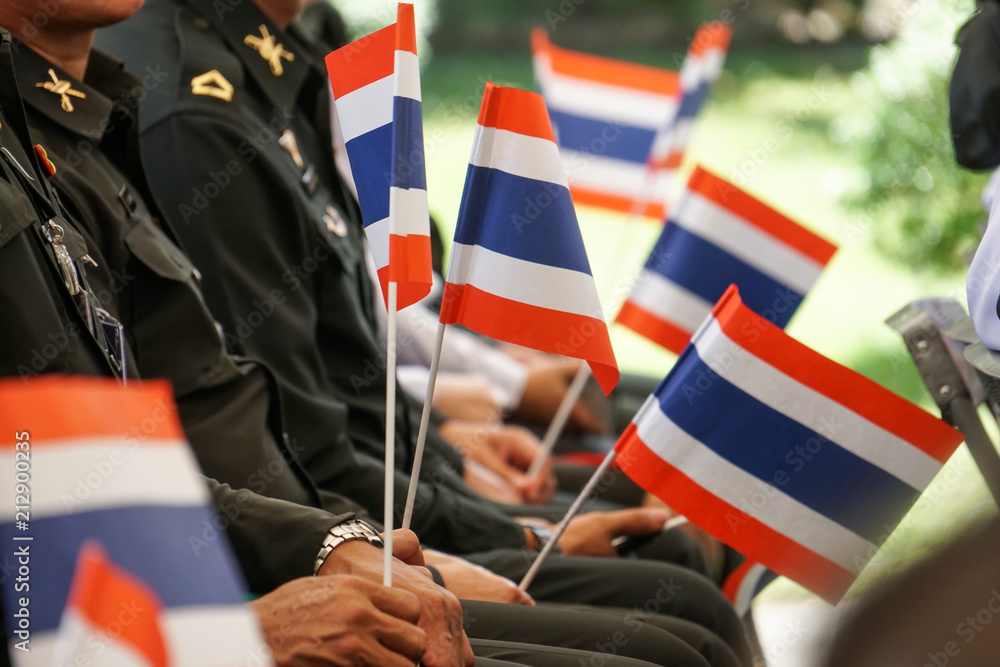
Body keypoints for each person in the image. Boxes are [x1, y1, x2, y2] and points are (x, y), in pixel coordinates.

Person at [0, 3, 746, 664]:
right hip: (202, 597)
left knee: (680, 587)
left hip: (279, 542)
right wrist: (254, 617)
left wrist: (353, 538)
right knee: (669, 616)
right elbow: (58, 530)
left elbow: (349, 357)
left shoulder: (106, 103)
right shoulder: (190, 111)